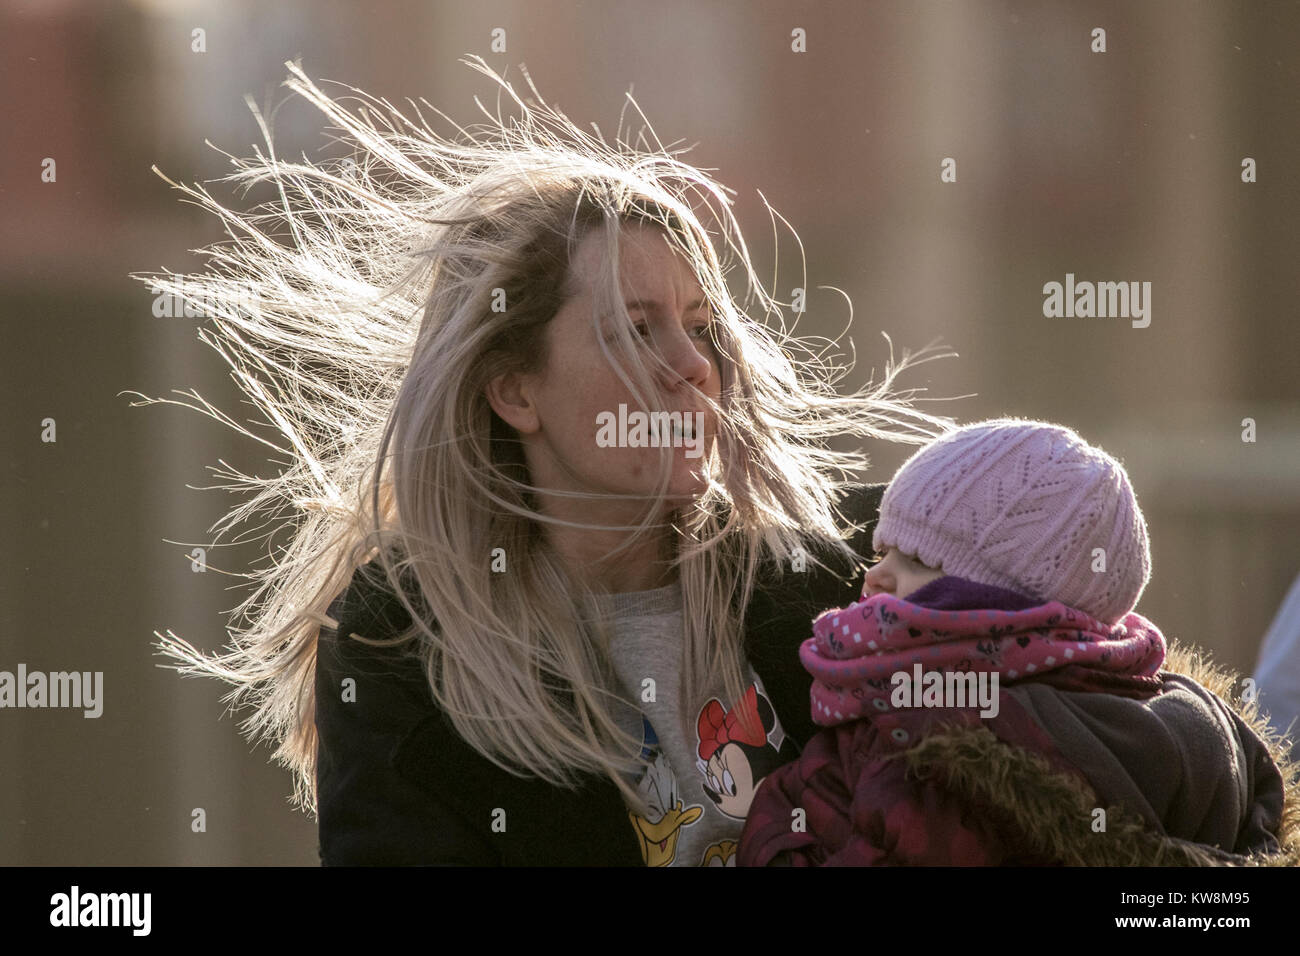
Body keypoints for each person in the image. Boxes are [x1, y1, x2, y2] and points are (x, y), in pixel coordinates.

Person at [137, 57, 952, 865]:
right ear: (515, 391)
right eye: (634, 330)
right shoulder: (407, 646)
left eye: (698, 325)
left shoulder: (862, 566)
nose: (693, 366)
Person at [738, 419, 1300, 866]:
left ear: (1012, 612)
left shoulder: (942, 739)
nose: (875, 576)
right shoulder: (1183, 722)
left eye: (921, 561)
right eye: (881, 550)